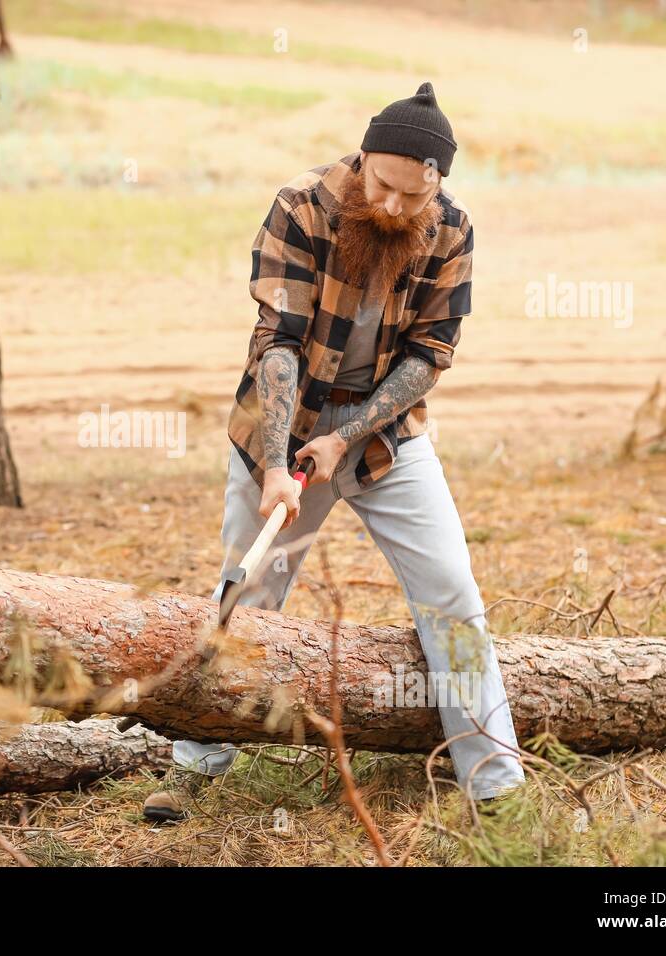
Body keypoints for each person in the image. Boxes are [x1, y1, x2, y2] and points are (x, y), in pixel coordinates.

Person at [144, 83, 525, 823]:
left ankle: (496, 784)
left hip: (386, 438)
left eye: (413, 196)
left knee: (452, 594)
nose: (393, 207)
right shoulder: (300, 205)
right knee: (248, 590)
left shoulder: (451, 228)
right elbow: (277, 343)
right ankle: (196, 766)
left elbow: (430, 354)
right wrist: (282, 463)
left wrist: (346, 436)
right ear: (363, 159)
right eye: (382, 185)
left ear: (438, 182)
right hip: (284, 423)